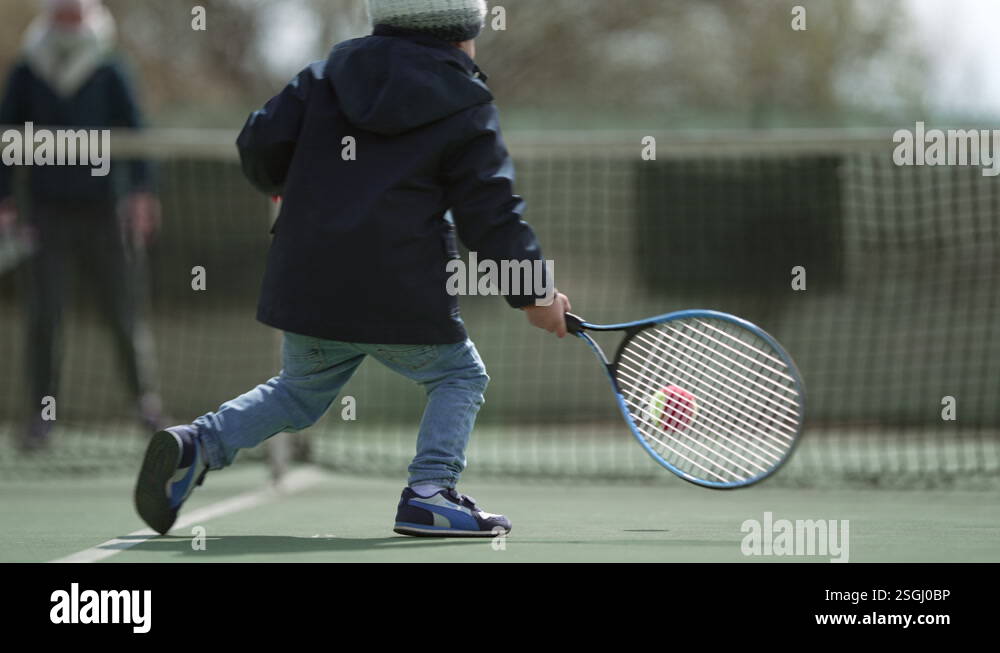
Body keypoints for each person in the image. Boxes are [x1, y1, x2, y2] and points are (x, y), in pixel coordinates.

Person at [134, 0, 571, 539]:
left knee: (298, 390)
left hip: (309, 275)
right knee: (459, 376)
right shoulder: (465, 102)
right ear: (462, 35)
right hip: (399, 286)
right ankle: (430, 494)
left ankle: (198, 444)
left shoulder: (323, 77)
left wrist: (280, 181)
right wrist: (534, 294)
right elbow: (492, 212)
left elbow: (259, 142)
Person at [0, 0, 164, 452]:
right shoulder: (27, 72)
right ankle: (41, 416)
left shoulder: (111, 69)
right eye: (62, 14)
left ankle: (145, 406)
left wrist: (142, 194)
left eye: (76, 13)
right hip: (47, 213)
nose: (69, 21)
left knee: (122, 312)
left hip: (104, 213)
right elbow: (5, 136)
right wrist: (6, 200)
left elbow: (136, 133)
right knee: (45, 316)